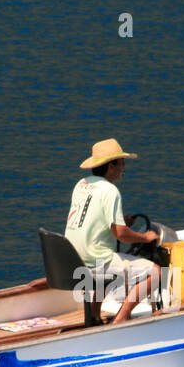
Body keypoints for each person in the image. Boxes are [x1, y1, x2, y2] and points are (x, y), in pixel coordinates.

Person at [65, 138, 161, 324]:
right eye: (121, 161)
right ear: (111, 165)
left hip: (73, 259)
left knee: (105, 258)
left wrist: (122, 222)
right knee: (155, 272)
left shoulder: (81, 184)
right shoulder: (110, 191)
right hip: (95, 262)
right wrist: (145, 237)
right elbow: (121, 235)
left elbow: (89, 219)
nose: (124, 165)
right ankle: (122, 317)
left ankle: (93, 315)